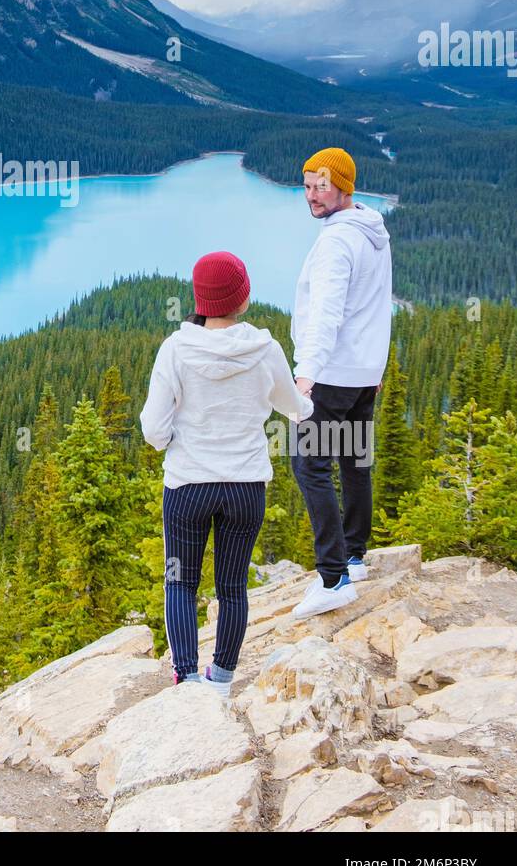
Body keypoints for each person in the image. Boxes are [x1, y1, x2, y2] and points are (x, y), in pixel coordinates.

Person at [139, 250, 312, 698]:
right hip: (245, 486)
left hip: (188, 487)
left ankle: (186, 677)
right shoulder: (265, 349)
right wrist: (305, 397)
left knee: (180, 581)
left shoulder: (175, 350)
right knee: (232, 586)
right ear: (243, 298)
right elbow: (294, 410)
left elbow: (153, 429)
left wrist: (174, 443)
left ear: (198, 299)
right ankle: (221, 682)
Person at [289, 146, 392, 619]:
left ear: (343, 187)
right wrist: (377, 368)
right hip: (361, 373)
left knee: (309, 465)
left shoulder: (336, 242)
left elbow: (327, 313)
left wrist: (306, 373)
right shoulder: (373, 230)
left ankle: (334, 578)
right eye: (307, 185)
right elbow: (377, 306)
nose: (311, 195)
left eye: (321, 186)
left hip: (331, 374)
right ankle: (354, 554)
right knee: (354, 459)